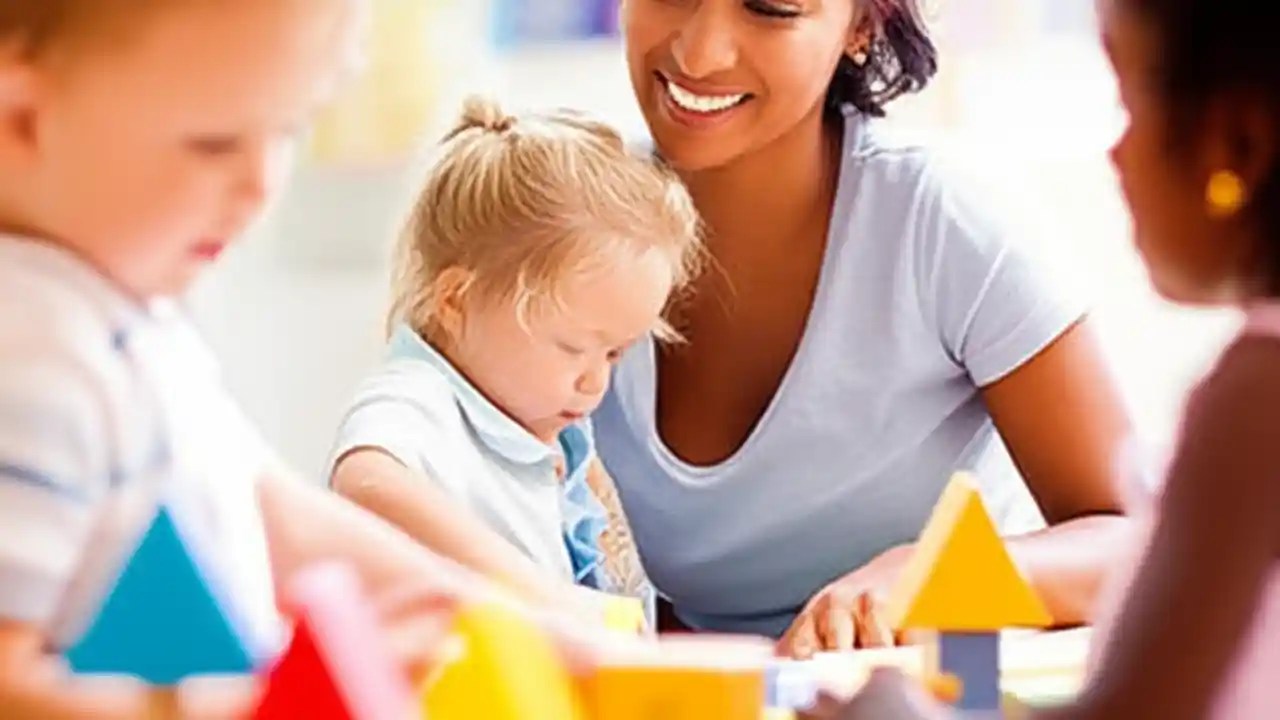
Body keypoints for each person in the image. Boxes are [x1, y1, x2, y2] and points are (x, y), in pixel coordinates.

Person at [593, 0, 1133, 654]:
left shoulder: (942, 221)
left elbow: (1134, 538)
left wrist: (927, 577)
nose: (700, 53)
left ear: (861, 27)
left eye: (771, 8)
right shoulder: (559, 228)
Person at [0, 2, 486, 716]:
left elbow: (270, 510)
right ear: (20, 119)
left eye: (289, 128)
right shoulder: (35, 361)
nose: (264, 182)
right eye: (215, 142)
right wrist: (250, 706)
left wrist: (505, 623)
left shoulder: (124, 318)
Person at [830, 0, 1280, 716]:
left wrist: (905, 712)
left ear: (1240, 144)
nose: (1116, 153)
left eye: (1131, 106)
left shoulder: (1257, 398)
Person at [328, 97, 702, 626]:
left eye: (615, 352)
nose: (596, 381)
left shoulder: (546, 426)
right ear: (457, 301)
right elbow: (366, 481)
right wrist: (541, 599)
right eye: (573, 348)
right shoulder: (420, 395)